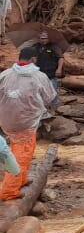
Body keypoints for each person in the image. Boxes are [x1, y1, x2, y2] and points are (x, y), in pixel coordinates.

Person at [0, 46, 58, 200]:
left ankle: (21, 179)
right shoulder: (39, 76)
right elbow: (49, 97)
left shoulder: (5, 74)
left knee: (18, 148)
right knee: (22, 154)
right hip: (26, 122)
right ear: (33, 60)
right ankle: (9, 191)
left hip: (6, 121)